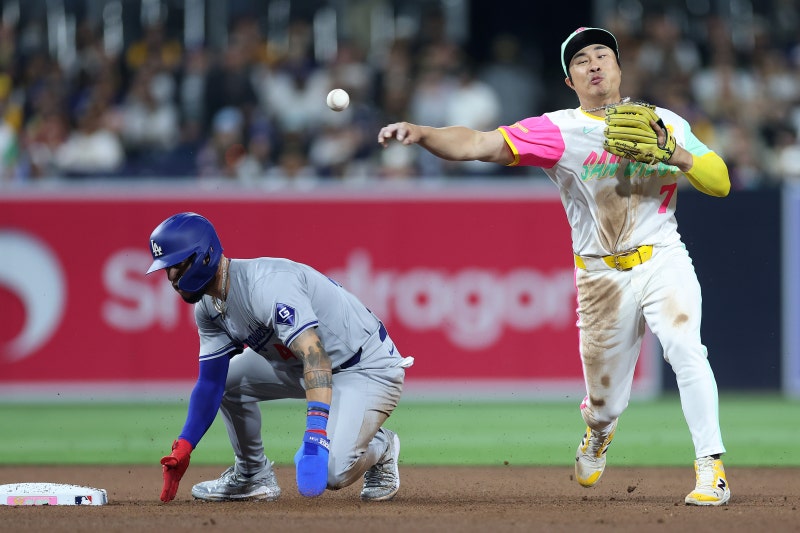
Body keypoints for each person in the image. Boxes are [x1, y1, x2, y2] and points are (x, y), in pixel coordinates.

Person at [377, 26, 731, 506]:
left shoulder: (664, 122)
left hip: (663, 255)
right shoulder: (559, 130)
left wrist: (677, 153)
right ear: (570, 80)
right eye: (581, 60)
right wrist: (421, 133)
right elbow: (478, 143)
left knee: (686, 348)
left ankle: (711, 469)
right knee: (605, 404)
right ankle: (599, 430)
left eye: (603, 54)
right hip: (600, 276)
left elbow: (721, 181)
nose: (594, 65)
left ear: (620, 66)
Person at [147, 212, 413, 503]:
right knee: (230, 382)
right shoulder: (208, 308)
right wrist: (184, 445)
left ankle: (381, 446)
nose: (171, 278)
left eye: (177, 265)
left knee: (332, 473)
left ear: (205, 256)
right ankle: (252, 476)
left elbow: (316, 356)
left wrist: (315, 435)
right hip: (299, 366)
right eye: (166, 269)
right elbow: (211, 384)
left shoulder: (267, 285)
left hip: (364, 368)